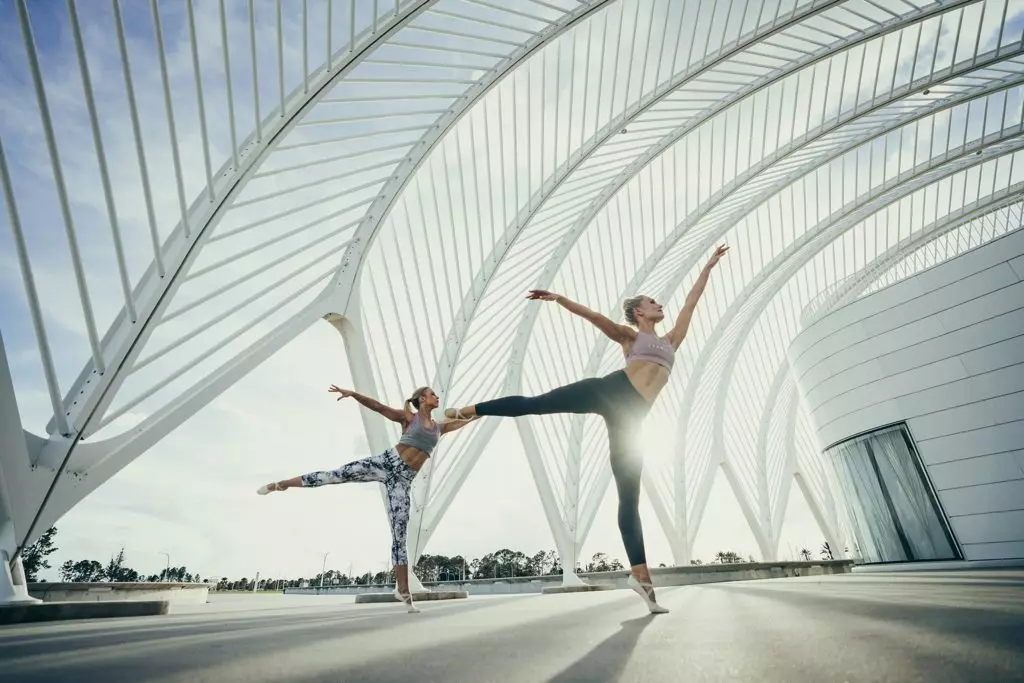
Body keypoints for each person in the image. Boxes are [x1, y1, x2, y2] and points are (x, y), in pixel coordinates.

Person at [445, 245, 729, 614]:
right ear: (639, 312)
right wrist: (561, 299)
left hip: (632, 420)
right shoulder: (630, 337)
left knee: (630, 498)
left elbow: (693, 300)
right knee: (536, 403)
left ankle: (640, 578)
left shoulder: (671, 340)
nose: (661, 305)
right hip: (609, 390)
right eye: (653, 302)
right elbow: (594, 317)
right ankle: (468, 410)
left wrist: (707, 266)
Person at [258, 385, 477, 613]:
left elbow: (464, 421)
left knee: (400, 537)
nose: (437, 397)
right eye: (433, 394)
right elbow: (378, 407)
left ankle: (404, 592)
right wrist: (353, 395)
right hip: (385, 463)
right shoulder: (408, 418)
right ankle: (282, 484)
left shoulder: (438, 429)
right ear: (422, 399)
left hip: (402, 481)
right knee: (337, 475)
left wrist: (482, 411)